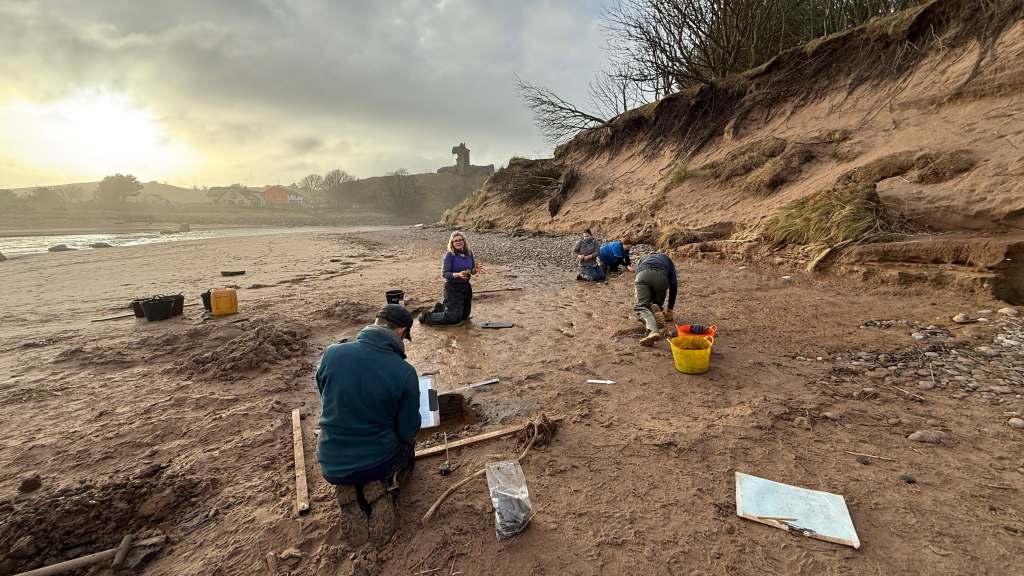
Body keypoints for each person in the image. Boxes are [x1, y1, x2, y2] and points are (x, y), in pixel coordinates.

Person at [316, 304, 420, 547]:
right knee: (409, 447)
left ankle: (350, 490)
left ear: (375, 322)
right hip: (379, 462)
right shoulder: (404, 372)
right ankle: (387, 489)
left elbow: (326, 396)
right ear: (402, 332)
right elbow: (407, 430)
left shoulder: (332, 353)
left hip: (332, 463)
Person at [419, 231, 482, 326]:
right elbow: (445, 274)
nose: (458, 242)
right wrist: (459, 275)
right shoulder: (449, 255)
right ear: (452, 243)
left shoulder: (469, 254)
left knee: (464, 315)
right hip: (452, 287)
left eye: (460, 240)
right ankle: (426, 316)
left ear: (464, 241)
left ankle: (440, 308)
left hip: (466, 287)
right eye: (455, 241)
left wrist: (475, 270)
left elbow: (471, 271)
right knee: (453, 318)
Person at [633, 253, 677, 346]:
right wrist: (670, 307)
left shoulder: (642, 258)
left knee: (642, 307)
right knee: (656, 304)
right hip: (661, 276)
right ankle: (657, 310)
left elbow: (638, 275)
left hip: (643, 275)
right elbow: (673, 284)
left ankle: (653, 330)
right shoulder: (666, 259)